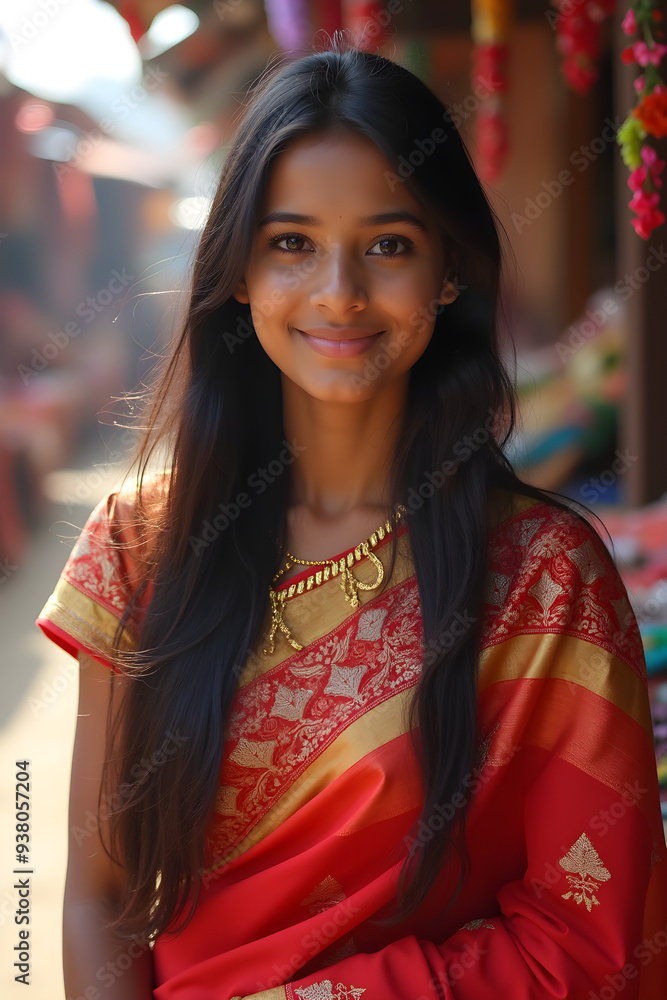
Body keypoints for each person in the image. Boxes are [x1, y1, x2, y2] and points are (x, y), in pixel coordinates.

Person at [37, 35, 667, 1000]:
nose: (339, 293)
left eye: (387, 245)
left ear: (448, 273)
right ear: (239, 276)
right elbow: (96, 900)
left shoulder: (544, 578)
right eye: (292, 243)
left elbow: (594, 941)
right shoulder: (136, 549)